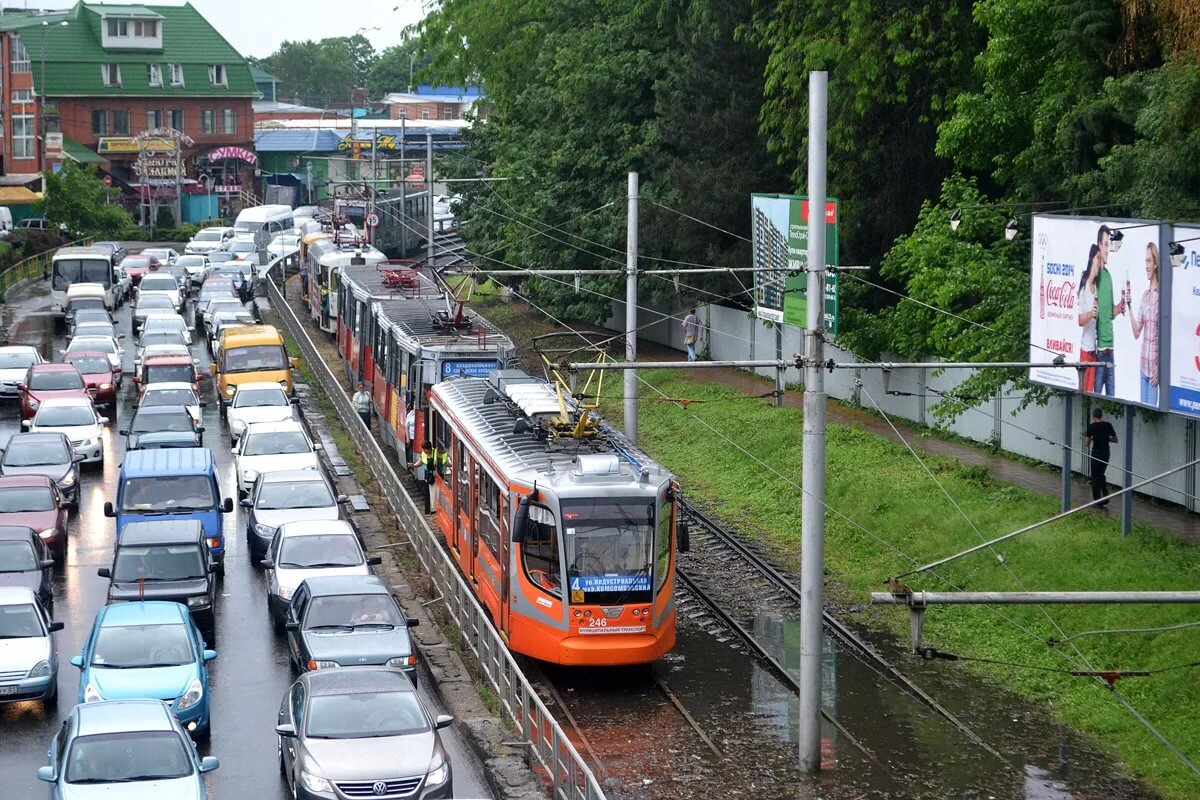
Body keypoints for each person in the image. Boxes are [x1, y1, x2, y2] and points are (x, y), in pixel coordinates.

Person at [1093, 225, 1126, 396]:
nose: (1108, 250)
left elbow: (1109, 313)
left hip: (1110, 348)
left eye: (1109, 245)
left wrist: (1119, 307)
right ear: (1099, 245)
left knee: (1112, 395)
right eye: (1105, 244)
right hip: (1099, 350)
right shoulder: (1094, 276)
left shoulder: (1108, 275)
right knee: (1096, 393)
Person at [1127, 242, 1160, 405]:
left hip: (1154, 370)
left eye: (1149, 261)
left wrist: (1159, 368)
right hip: (1143, 368)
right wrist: (1129, 306)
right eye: (1145, 261)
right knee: (1142, 411)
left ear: (1155, 263)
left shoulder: (1161, 295)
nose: (1146, 266)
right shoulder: (1145, 296)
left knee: (1151, 411)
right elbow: (1136, 332)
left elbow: (1165, 336)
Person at [1076, 244, 1100, 392]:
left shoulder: (1098, 286)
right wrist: (1090, 314)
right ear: (1092, 259)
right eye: (1098, 258)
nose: (1099, 262)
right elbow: (1080, 321)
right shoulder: (1084, 285)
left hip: (1096, 350)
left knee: (1092, 392)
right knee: (1084, 390)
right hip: (1086, 349)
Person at [1084, 407, 1118, 507]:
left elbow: (1086, 444)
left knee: (1095, 477)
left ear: (1093, 416)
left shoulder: (1091, 427)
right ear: (1101, 416)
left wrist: (1092, 438)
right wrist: (1106, 438)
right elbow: (1115, 440)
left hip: (1096, 454)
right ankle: (1105, 497)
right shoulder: (1108, 425)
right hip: (1106, 453)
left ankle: (1097, 501)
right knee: (1101, 474)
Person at [409, 441, 436, 514]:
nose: (424, 451)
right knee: (426, 492)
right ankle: (427, 510)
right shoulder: (423, 453)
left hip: (435, 476)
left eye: (426, 449)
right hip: (427, 475)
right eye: (424, 449)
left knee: (434, 493)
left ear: (430, 448)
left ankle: (434, 510)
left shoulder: (435, 453)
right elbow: (420, 462)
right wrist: (413, 465)